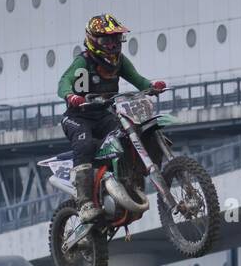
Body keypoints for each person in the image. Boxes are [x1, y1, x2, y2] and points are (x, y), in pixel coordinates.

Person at [57, 14, 165, 223]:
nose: (113, 44)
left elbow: (138, 80)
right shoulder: (84, 61)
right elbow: (64, 82)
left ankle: (130, 178)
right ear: (94, 39)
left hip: (104, 114)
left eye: (116, 38)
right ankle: (85, 203)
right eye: (108, 39)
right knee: (85, 144)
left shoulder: (119, 62)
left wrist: (151, 87)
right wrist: (71, 96)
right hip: (78, 117)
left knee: (131, 132)